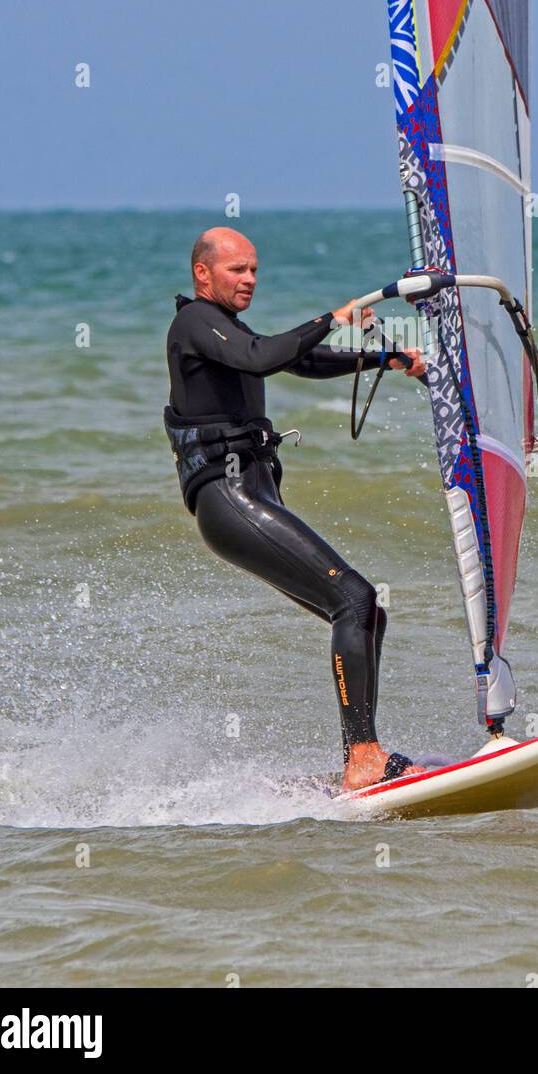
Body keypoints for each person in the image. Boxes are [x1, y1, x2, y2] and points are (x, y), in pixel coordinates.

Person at [164, 226, 428, 792]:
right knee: (353, 599)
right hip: (228, 498)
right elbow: (261, 358)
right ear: (203, 273)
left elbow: (299, 363)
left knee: (365, 612)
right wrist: (335, 314)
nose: (251, 279)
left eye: (254, 269)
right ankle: (362, 757)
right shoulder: (194, 324)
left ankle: (362, 756)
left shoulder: (226, 330)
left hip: (253, 495)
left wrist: (384, 357)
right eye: (238, 270)